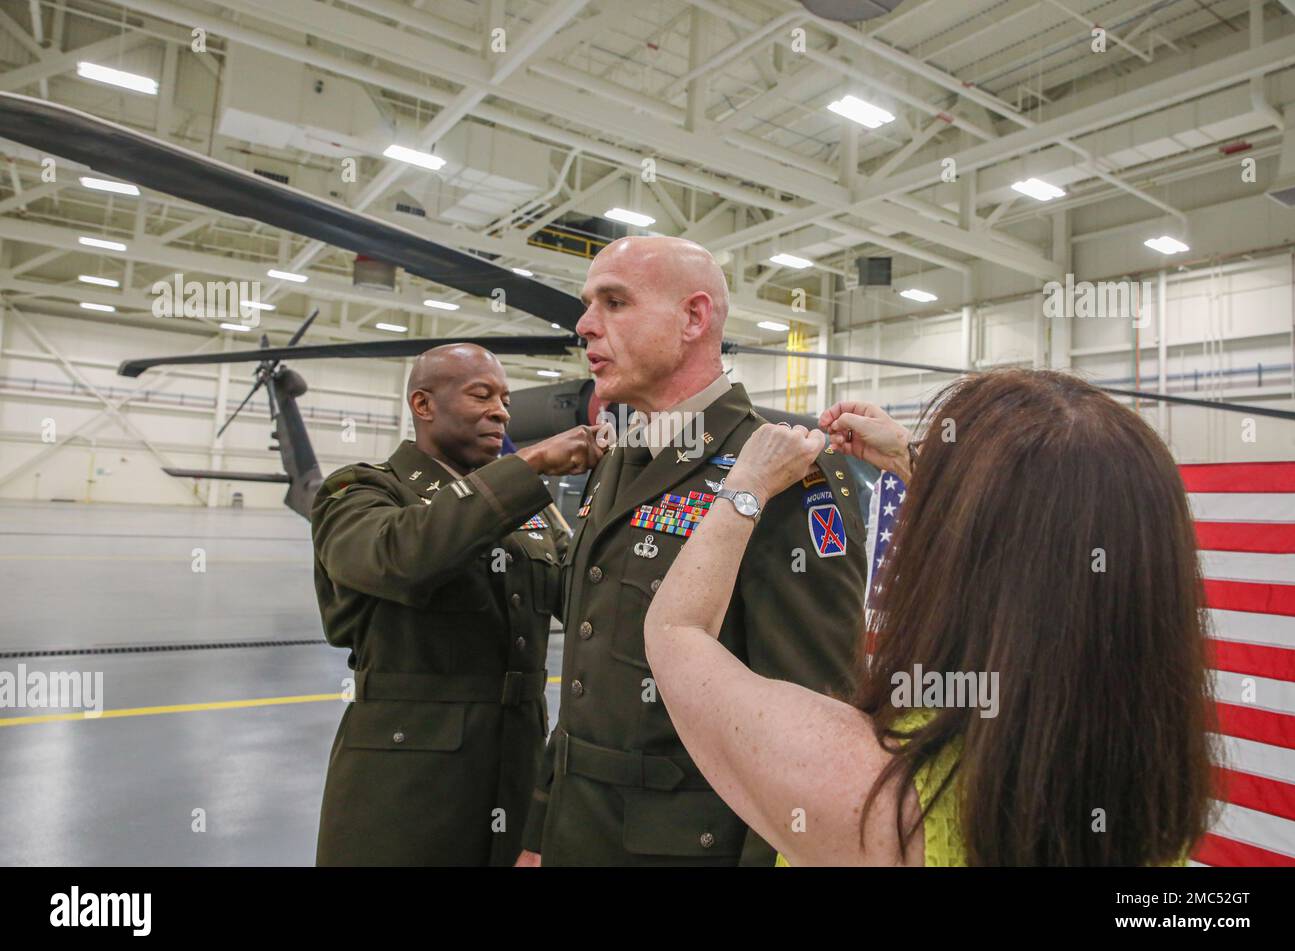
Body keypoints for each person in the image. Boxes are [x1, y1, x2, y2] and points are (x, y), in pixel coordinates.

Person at [644, 369, 1216, 866]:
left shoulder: (866, 794)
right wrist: (914, 465)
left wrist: (746, 484)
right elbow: (1035, 547)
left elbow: (676, 635)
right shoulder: (1143, 791)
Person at [517, 236, 869, 866]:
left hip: (688, 845)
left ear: (694, 318)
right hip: (580, 831)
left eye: (614, 302)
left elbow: (815, 714)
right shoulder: (617, 460)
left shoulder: (788, 469)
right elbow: (585, 676)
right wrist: (541, 828)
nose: (584, 325)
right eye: (586, 304)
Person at [311, 343, 607, 865]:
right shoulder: (360, 491)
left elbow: (589, 598)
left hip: (515, 764)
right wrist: (529, 464)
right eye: (482, 395)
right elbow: (402, 556)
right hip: (408, 775)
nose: (502, 410)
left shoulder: (525, 513)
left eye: (506, 399)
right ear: (423, 405)